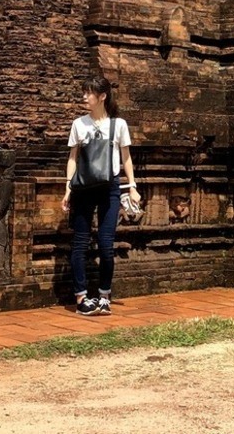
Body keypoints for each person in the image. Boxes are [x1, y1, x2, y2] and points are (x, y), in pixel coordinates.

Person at [62, 75, 141, 316]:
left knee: (106, 246)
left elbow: (125, 157)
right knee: (80, 244)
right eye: (84, 92)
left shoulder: (118, 125)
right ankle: (81, 297)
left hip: (110, 188)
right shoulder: (79, 124)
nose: (84, 97)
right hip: (84, 188)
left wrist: (133, 186)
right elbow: (73, 158)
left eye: (89, 93)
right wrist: (68, 188)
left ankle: (104, 294)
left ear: (102, 96)